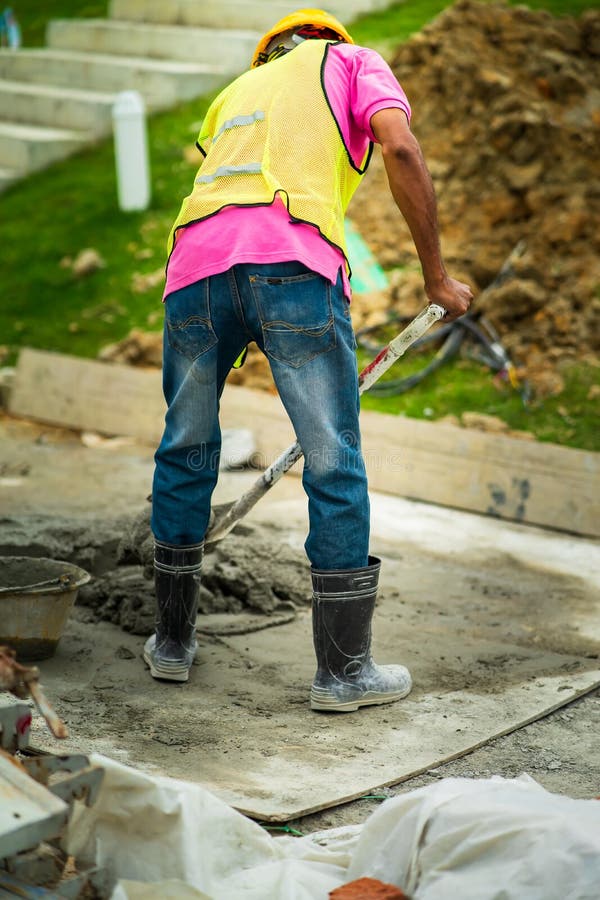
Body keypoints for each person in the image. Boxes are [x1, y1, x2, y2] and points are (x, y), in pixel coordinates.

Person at [145, 8, 473, 710]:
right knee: (332, 460)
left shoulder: (237, 91)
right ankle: (343, 673)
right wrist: (437, 277)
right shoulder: (352, 63)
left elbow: (222, 191)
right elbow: (402, 150)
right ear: (328, 40)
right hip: (292, 262)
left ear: (270, 53)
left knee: (184, 448)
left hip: (194, 270)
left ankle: (171, 644)